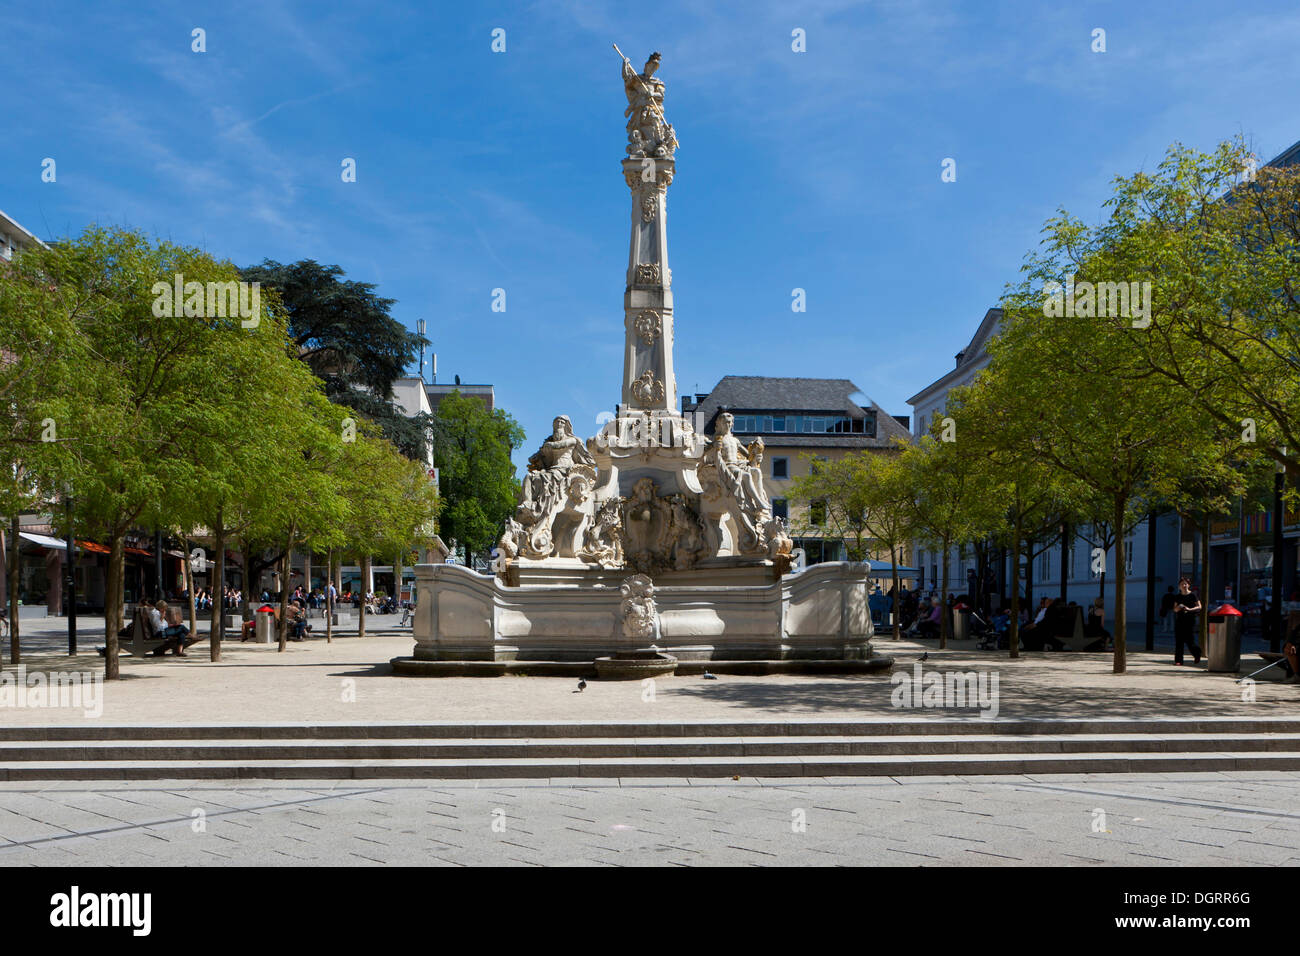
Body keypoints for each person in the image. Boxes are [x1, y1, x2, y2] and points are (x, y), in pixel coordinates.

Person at [1172, 577, 1203, 665]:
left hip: (1190, 620)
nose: (1184, 585)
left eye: (1185, 584)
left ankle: (1197, 653)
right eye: (1182, 584)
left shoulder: (1193, 595)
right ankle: (1178, 660)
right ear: (1179, 586)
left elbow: (1199, 606)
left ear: (1189, 585)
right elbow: (1174, 609)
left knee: (1190, 641)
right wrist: (1179, 607)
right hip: (1179, 620)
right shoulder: (1177, 596)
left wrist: (1189, 609)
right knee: (1179, 641)